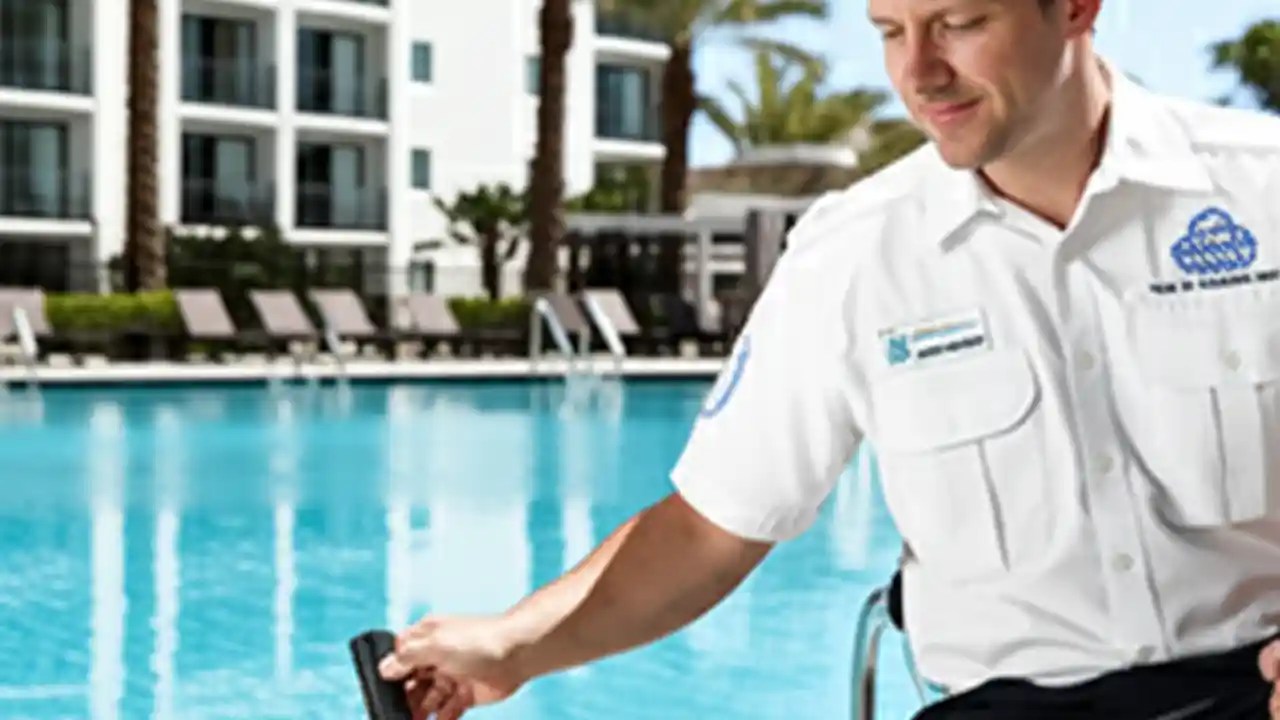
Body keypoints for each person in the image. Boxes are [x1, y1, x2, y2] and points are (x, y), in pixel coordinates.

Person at [378, 0, 1280, 717]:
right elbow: (709, 528)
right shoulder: (852, 253)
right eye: (890, 31)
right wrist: (512, 646)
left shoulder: (1262, 185)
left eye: (959, 25)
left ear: (1078, 7)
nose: (918, 73)